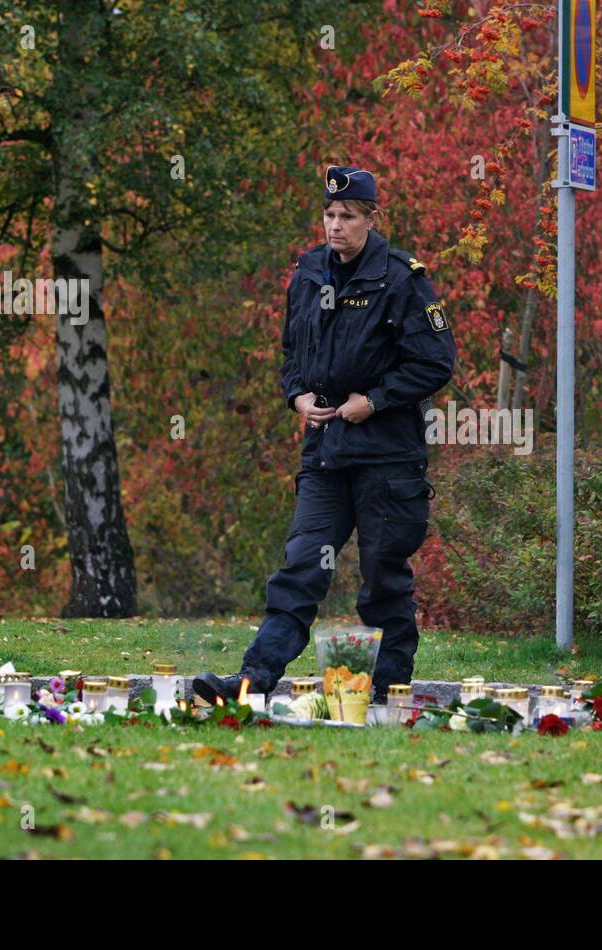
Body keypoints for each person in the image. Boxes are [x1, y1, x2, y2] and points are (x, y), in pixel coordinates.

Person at [194, 165, 456, 706]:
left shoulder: (403, 279)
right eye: (329, 215)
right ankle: (250, 682)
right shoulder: (310, 272)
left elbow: (435, 363)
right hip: (326, 453)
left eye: (348, 216)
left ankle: (387, 693)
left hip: (387, 457)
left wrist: (375, 401)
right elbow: (293, 353)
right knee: (300, 569)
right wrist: (297, 398)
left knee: (383, 578)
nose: (335, 225)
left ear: (371, 218)